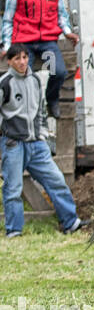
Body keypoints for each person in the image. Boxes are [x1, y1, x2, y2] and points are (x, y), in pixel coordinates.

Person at [1, 45, 81, 236]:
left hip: (37, 144)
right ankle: (14, 231)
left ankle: (71, 222)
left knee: (56, 181)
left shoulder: (36, 80)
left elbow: (41, 110)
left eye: (24, 57)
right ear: (9, 61)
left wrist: (43, 134)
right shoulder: (5, 83)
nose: (22, 62)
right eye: (17, 59)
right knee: (13, 189)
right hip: (13, 144)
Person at [2, 0, 78, 132]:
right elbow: (7, 19)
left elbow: (61, 15)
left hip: (46, 42)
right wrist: (6, 45)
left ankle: (52, 101)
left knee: (58, 71)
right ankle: (29, 109)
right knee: (24, 75)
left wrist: (67, 32)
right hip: (24, 42)